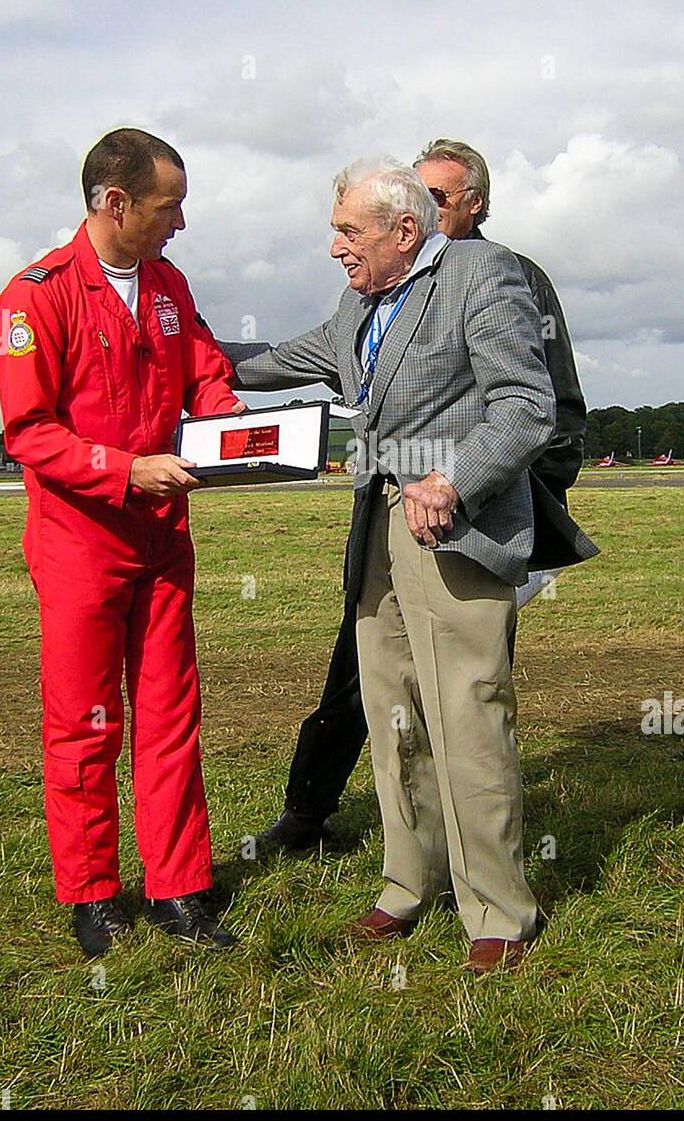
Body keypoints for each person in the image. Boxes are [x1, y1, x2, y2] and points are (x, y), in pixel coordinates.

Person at [222, 156, 580, 970]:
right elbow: (272, 359)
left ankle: (498, 911)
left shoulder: (482, 274)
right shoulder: (358, 306)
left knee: (467, 714)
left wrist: (452, 479)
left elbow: (524, 406)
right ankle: (405, 884)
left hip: (453, 525)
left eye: (348, 230)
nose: (334, 247)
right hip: (378, 531)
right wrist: (168, 343)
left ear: (403, 230)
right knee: (394, 719)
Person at [0, 128, 243, 958]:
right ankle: (94, 893)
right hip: (79, 542)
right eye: (168, 206)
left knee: (171, 714)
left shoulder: (169, 283)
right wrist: (125, 469)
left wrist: (224, 413)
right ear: (115, 202)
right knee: (84, 722)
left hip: (164, 538)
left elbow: (203, 363)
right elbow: (29, 433)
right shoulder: (31, 299)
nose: (179, 222)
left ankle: (180, 888)